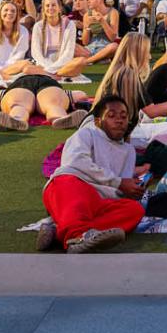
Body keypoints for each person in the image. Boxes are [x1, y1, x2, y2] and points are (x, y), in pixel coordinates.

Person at [38, 95, 146, 253]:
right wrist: (119, 182)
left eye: (123, 116)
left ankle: (57, 231)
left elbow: (119, 187)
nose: (119, 120)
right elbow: (75, 163)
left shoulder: (129, 151)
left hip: (100, 200)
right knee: (71, 186)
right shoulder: (86, 134)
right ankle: (77, 237)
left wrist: (131, 189)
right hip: (72, 186)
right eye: (111, 116)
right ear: (97, 121)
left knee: (134, 210)